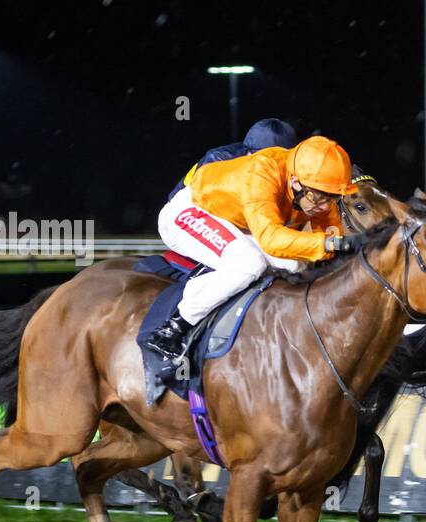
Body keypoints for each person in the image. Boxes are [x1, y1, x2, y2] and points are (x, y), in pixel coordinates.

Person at [145, 135, 364, 360]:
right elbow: (271, 238)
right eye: (319, 197)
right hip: (189, 212)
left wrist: (350, 251)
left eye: (332, 198)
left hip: (233, 222)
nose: (326, 205)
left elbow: (330, 239)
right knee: (249, 263)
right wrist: (333, 243)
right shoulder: (263, 172)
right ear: (296, 182)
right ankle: (173, 329)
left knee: (295, 263)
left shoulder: (315, 186)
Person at [167, 118, 298, 201]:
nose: (272, 166)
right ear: (249, 151)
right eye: (266, 158)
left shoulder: (295, 166)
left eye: (280, 159)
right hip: (188, 210)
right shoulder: (216, 161)